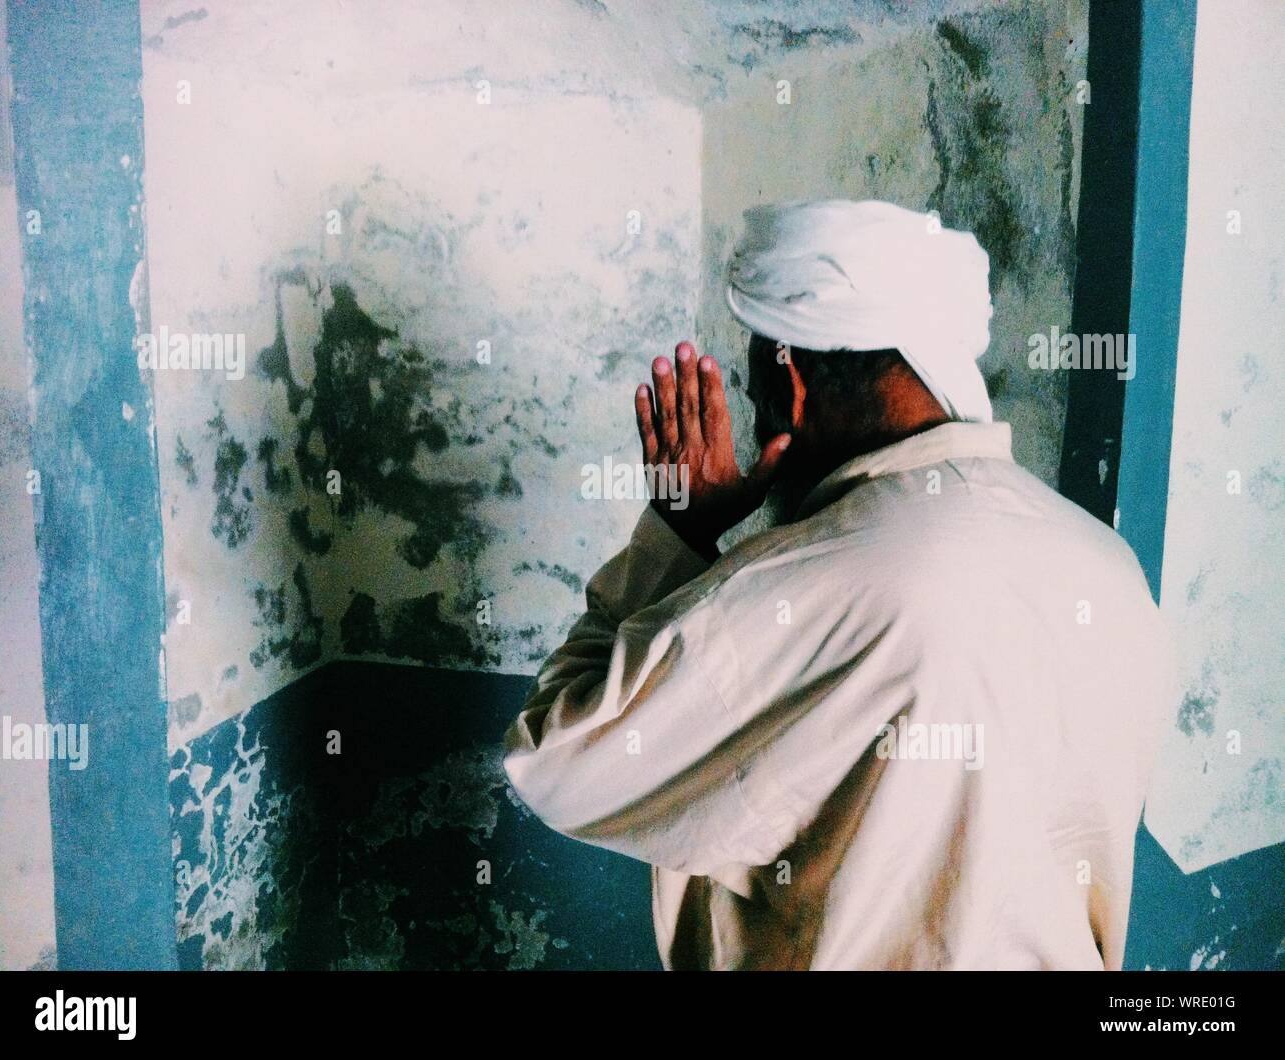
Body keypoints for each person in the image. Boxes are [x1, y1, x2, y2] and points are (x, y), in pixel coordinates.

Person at [503, 200, 1174, 970]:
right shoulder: (1108, 567)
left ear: (790, 382)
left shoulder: (811, 580)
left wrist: (679, 530)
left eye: (757, 406)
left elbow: (556, 760)